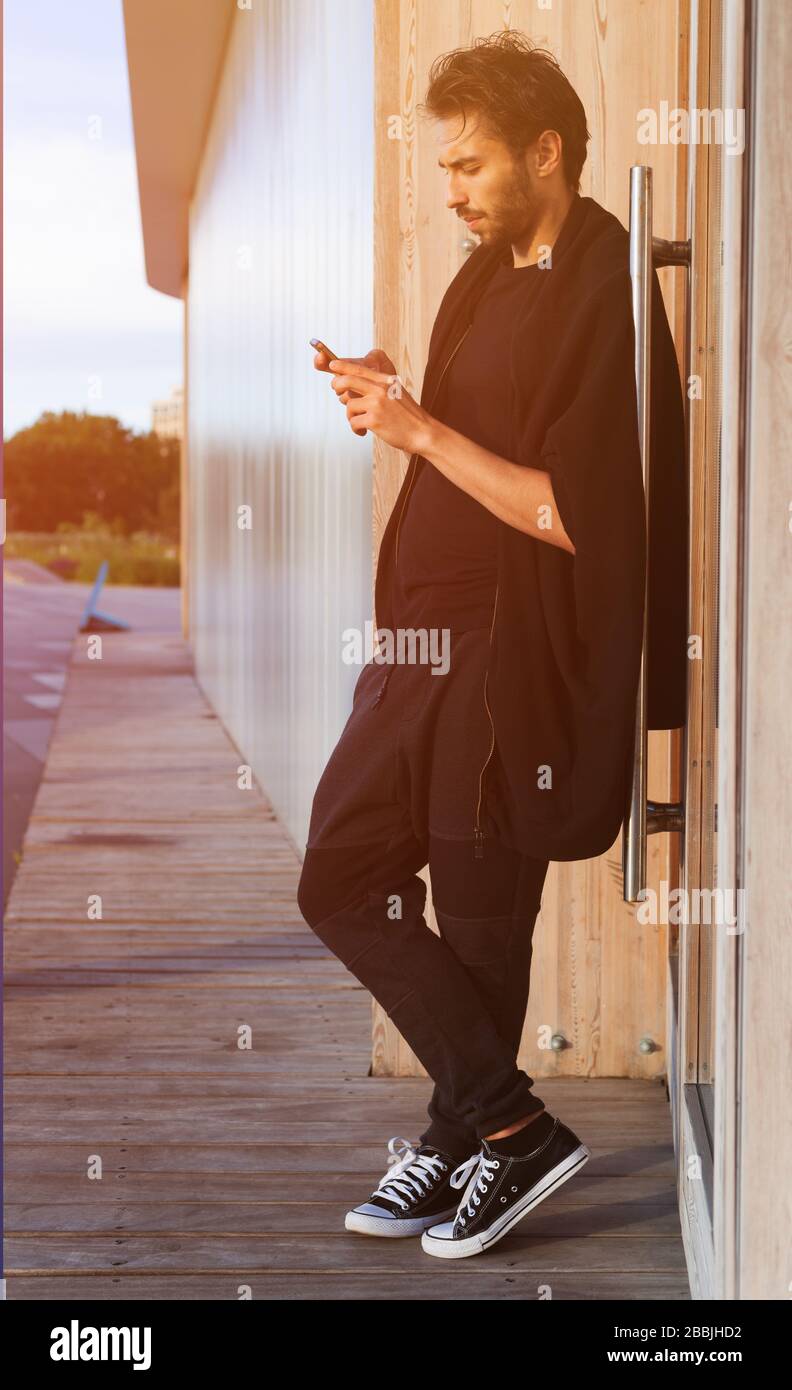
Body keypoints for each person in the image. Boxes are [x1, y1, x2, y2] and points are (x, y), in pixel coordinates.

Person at [297, 31, 687, 1261]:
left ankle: (471, 1133)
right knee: (342, 874)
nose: (451, 192)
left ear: (546, 151)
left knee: (476, 922)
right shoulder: (484, 272)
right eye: (444, 169)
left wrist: (415, 432)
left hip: (504, 658)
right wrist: (392, 386)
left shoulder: (604, 289)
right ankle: (499, 1124)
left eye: (468, 166)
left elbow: (574, 512)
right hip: (415, 649)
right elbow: (473, 425)